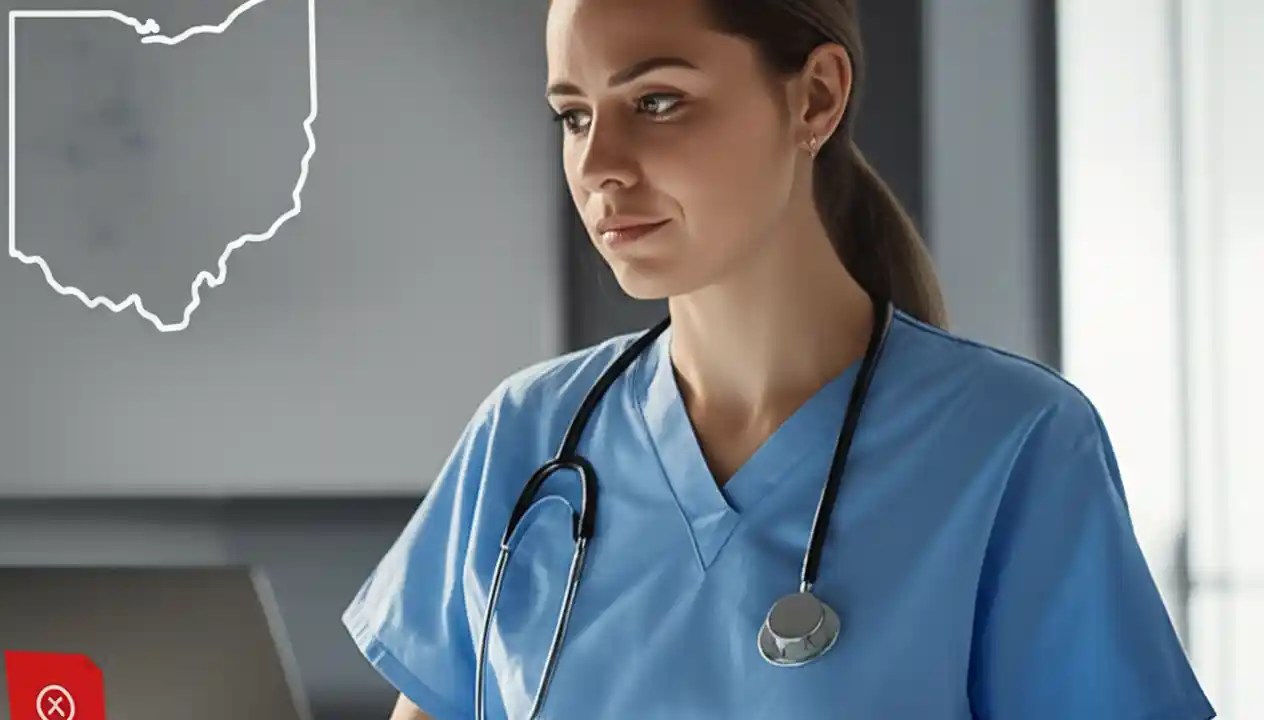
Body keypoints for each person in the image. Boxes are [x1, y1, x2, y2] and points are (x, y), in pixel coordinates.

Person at [341, 0, 1217, 717]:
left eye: (655, 102)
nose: (598, 164)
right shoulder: (526, 435)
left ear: (815, 99)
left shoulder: (1012, 443)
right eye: (574, 115)